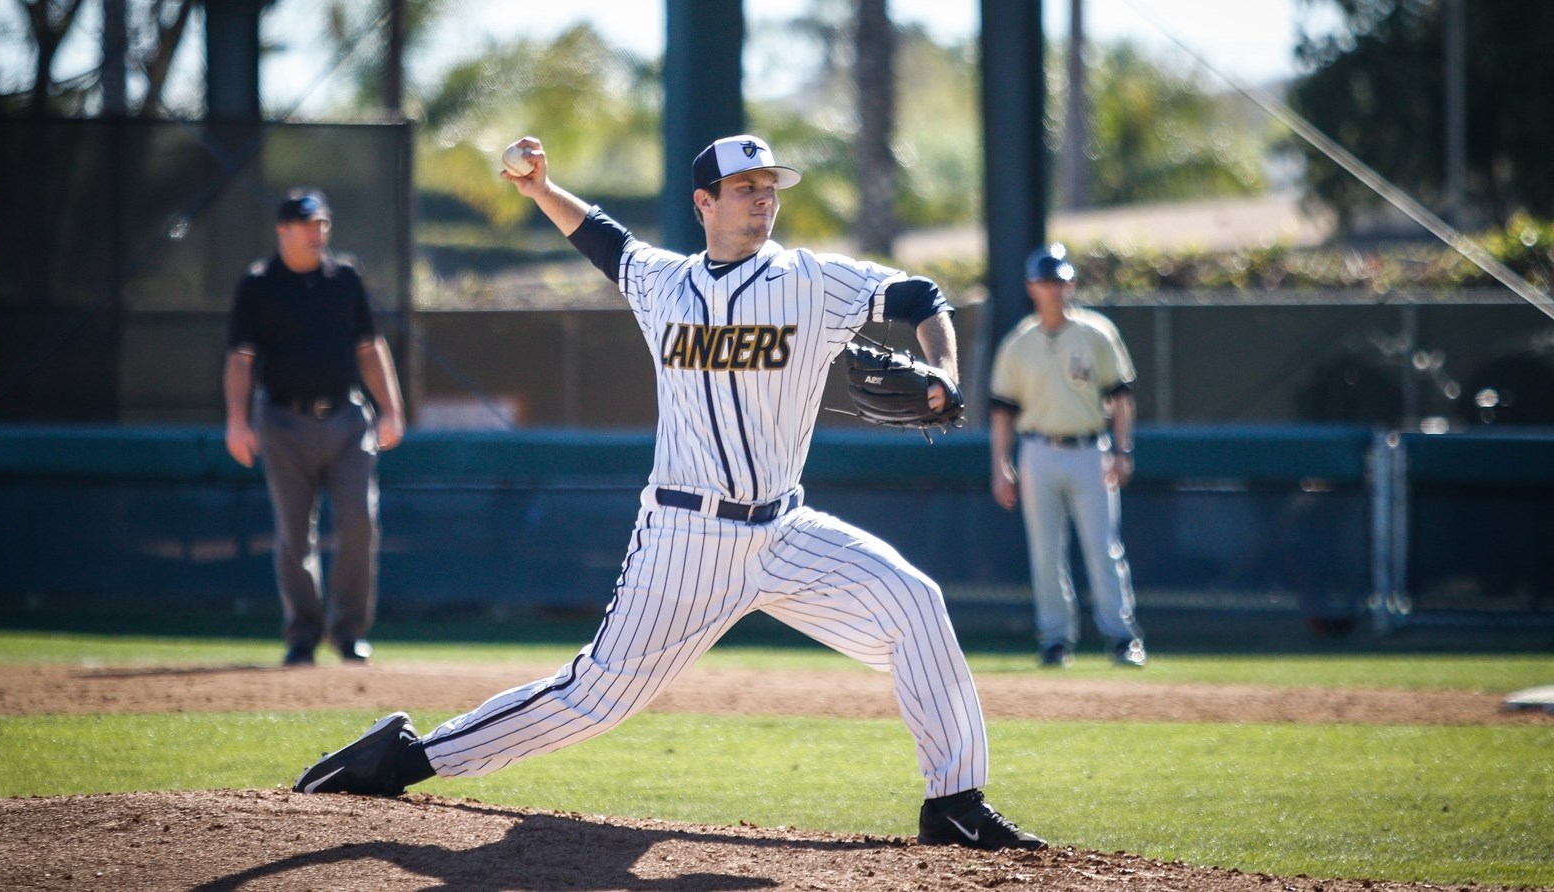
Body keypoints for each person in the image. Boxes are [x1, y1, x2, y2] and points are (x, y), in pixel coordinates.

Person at [291, 135, 1047, 851]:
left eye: (769, 188)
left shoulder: (812, 280)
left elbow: (919, 295)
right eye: (744, 188)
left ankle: (954, 805)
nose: (762, 200)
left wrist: (942, 371)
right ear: (703, 204)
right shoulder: (663, 282)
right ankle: (404, 759)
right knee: (593, 698)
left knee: (915, 603)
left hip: (786, 532)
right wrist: (542, 187)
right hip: (684, 540)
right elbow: (604, 240)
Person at [223, 188, 407, 668]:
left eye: (322, 224)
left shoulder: (344, 278)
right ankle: (302, 636)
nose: (317, 232)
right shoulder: (259, 284)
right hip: (283, 420)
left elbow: (369, 347)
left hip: (347, 419)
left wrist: (391, 408)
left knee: (358, 522)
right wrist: (237, 421)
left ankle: (349, 634)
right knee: (293, 533)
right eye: (307, 224)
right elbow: (240, 360)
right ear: (283, 231)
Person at [988, 244, 1146, 669]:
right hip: (1038, 450)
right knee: (1045, 552)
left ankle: (1121, 638)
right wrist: (1000, 465)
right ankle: (1055, 640)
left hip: (1089, 449)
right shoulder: (1018, 342)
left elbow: (1121, 397)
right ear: (1031, 287)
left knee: (1103, 548)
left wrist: (1123, 450)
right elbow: (1002, 409)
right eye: (1046, 282)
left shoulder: (1096, 332)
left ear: (1071, 284)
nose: (1054, 289)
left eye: (1060, 281)